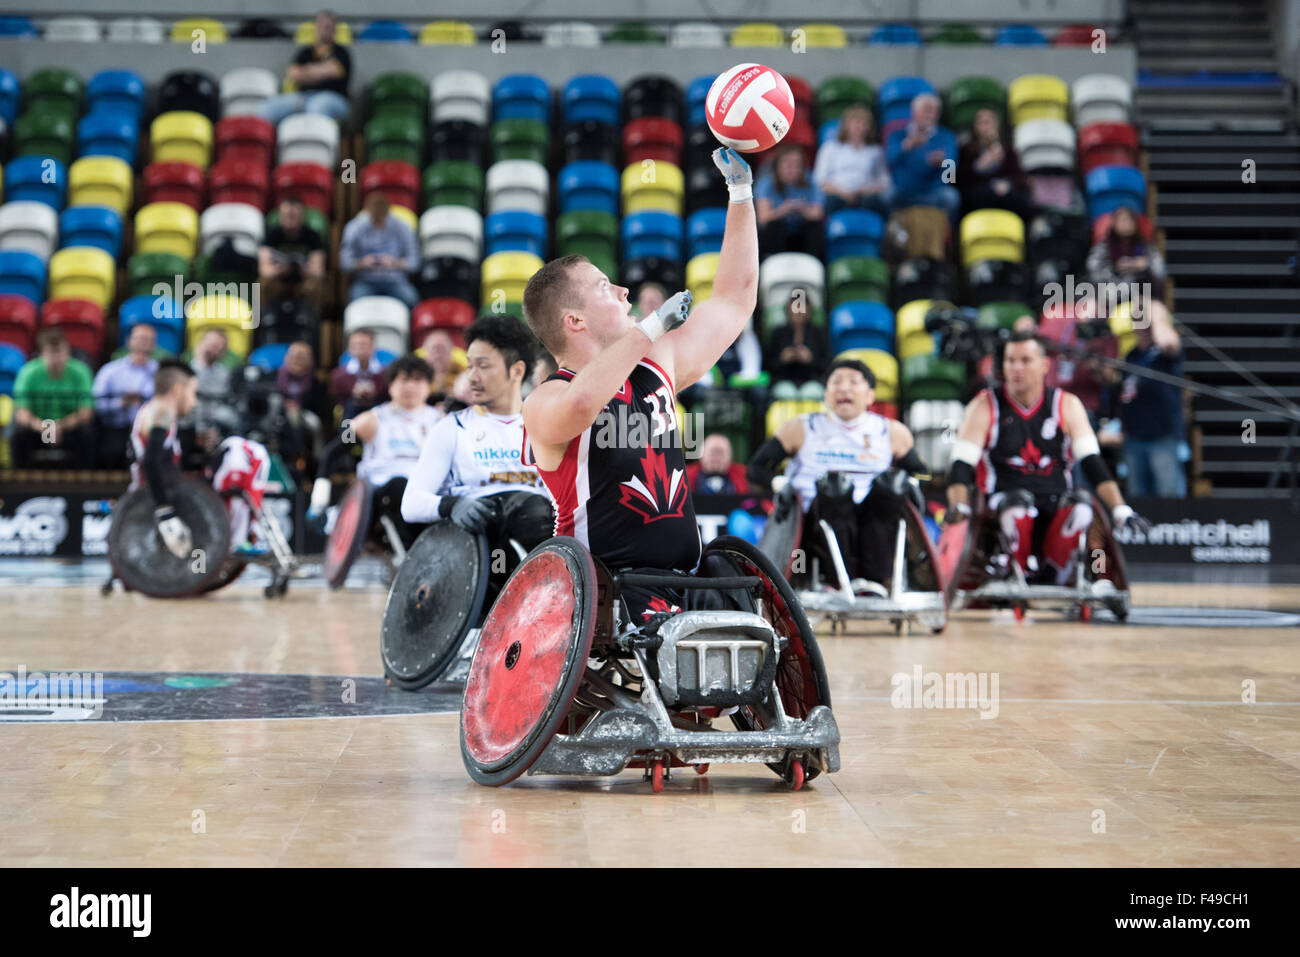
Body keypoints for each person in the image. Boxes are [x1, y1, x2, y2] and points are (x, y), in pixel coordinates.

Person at [519, 147, 758, 623]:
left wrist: (740, 195)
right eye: (606, 287)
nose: (625, 291)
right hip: (609, 593)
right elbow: (584, 402)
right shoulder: (544, 400)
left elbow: (734, 300)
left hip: (689, 577)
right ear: (574, 320)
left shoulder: (658, 362)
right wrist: (646, 329)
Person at [945, 330, 1150, 585]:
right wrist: (959, 507)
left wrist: (1120, 510)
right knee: (1018, 505)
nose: (1016, 368)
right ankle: (1012, 567)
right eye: (1010, 360)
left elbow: (1093, 464)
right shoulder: (984, 405)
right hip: (1001, 504)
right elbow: (960, 468)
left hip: (1054, 503)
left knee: (1083, 505)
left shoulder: (1067, 404)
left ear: (1044, 365)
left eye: (1025, 360)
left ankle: (1068, 572)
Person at [747, 358, 927, 589]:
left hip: (874, 515)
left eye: (853, 382)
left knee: (892, 486)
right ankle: (840, 579)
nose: (844, 388)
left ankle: (878, 577)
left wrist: (911, 483)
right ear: (826, 394)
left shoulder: (891, 431)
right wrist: (780, 483)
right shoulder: (800, 427)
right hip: (817, 516)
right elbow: (756, 468)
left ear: (870, 395)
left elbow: (923, 473)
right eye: (836, 382)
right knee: (834, 486)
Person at [401, 316, 554, 558]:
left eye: (482, 366)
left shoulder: (546, 426)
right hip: (473, 549)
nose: (471, 376)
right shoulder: (452, 427)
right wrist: (451, 506)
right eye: (470, 365)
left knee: (536, 512)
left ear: (516, 370)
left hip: (534, 538)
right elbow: (410, 504)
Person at [309, 355, 443, 549]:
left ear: (428, 386)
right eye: (404, 380)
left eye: (417, 380)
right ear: (391, 386)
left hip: (427, 489)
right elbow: (332, 453)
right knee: (401, 485)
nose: (410, 387)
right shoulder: (370, 419)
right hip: (383, 491)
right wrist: (318, 501)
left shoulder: (440, 421)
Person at [1119, 302, 1186, 498]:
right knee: (1137, 496)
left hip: (1162, 435)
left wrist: (1156, 316)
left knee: (1169, 495)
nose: (1141, 324)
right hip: (1134, 436)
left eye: (1144, 318)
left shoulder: (1164, 352)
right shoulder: (1131, 355)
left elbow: (1169, 344)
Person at [10, 327, 94, 469]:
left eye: (60, 352)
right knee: (18, 434)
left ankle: (85, 481)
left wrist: (58, 426)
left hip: (68, 427)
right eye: (51, 353)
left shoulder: (81, 371)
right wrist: (45, 427)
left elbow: (85, 412)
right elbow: (21, 413)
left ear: (68, 351)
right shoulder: (28, 373)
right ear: (42, 353)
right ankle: (21, 481)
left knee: (88, 433)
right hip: (38, 428)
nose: (57, 359)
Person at [257, 10, 352, 127]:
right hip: (304, 96)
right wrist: (321, 71)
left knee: (316, 107)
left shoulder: (341, 52)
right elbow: (293, 74)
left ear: (334, 29)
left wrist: (306, 72)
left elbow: (335, 71)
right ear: (316, 27)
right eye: (322, 25)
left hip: (334, 98)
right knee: (266, 109)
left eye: (328, 26)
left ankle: (317, 144)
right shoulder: (305, 52)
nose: (325, 29)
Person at [92, 323, 159, 468]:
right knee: (109, 451)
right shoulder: (110, 370)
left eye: (149, 340)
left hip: (148, 430)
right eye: (141, 338)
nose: (144, 343)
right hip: (116, 427)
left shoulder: (160, 373)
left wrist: (145, 402)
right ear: (129, 341)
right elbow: (96, 403)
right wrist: (120, 403)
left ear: (154, 345)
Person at [886, 93, 960, 221]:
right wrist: (906, 146)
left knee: (951, 197)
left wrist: (944, 162)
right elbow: (890, 160)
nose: (929, 116)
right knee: (885, 196)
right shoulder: (898, 135)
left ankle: (945, 236)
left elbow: (951, 174)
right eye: (925, 111)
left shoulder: (946, 136)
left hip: (934, 192)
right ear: (913, 112)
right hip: (903, 192)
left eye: (933, 112)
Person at [340, 192, 420, 308]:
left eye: (381, 220)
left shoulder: (402, 228)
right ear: (367, 212)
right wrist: (362, 263)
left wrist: (395, 263)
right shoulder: (354, 228)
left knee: (411, 299)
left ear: (387, 212)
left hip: (394, 280)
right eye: (374, 220)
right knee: (355, 301)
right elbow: (344, 262)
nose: (377, 224)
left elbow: (415, 262)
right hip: (365, 280)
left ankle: (405, 326)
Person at [812, 105, 893, 218]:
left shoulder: (875, 151)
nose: (859, 127)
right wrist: (842, 193)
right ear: (846, 125)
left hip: (865, 196)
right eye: (856, 122)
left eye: (864, 124)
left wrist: (865, 191)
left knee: (875, 202)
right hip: (837, 196)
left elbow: (884, 181)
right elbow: (819, 179)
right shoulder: (830, 148)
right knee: (830, 203)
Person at [957, 108, 1031, 219]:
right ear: (975, 127)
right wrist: (979, 165)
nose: (987, 127)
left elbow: (1019, 177)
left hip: (1003, 191)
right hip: (978, 192)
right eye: (983, 123)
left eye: (991, 123)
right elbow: (955, 179)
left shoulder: (1008, 151)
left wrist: (1007, 184)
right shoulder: (966, 150)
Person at [754, 145, 825, 259]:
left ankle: (814, 263)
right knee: (772, 226)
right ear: (777, 166)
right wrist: (784, 209)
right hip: (778, 235)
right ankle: (773, 263)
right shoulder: (766, 184)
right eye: (786, 163)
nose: (791, 168)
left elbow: (817, 214)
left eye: (796, 164)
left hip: (801, 233)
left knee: (816, 227)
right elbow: (763, 218)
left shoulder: (811, 181)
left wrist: (801, 208)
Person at [1086, 205, 1166, 301]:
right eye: (1122, 220)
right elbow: (1094, 275)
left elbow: (1161, 272)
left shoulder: (1146, 247)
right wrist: (1115, 270)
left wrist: (1145, 265)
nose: (1126, 223)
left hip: (1143, 298)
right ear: (1113, 223)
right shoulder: (1103, 248)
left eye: (1129, 220)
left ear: (1135, 224)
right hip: (1109, 298)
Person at [259, 195, 326, 309]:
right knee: (262, 284)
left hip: (304, 279)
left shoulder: (313, 236)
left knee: (315, 286)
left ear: (302, 216)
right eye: (286, 216)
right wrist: (281, 269)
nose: (289, 219)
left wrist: (302, 270)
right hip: (279, 278)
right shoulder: (272, 235)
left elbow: (318, 272)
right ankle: (263, 321)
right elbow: (264, 270)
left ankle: (312, 322)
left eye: (293, 216)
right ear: (280, 216)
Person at [765, 286, 829, 386]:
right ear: (788, 309)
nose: (798, 311)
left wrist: (811, 359)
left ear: (808, 310)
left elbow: (826, 365)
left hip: (812, 380)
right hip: (783, 380)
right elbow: (767, 365)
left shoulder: (818, 333)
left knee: (812, 392)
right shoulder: (778, 333)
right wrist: (782, 359)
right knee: (785, 392)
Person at [329, 328, 389, 419]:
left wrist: (375, 393)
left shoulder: (385, 373)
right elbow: (336, 398)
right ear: (349, 347)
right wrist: (352, 393)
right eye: (355, 345)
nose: (359, 348)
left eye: (363, 344)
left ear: (373, 346)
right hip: (350, 414)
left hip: (378, 414)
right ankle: (348, 434)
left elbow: (389, 396)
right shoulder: (338, 375)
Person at [685, 434, 749, 496]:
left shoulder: (746, 476)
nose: (716, 458)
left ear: (730, 456)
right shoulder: (685, 475)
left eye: (721, 453)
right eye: (712, 453)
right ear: (701, 454)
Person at [415, 329, 465, 399]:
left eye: (443, 349)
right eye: (434, 349)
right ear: (425, 353)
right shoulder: (415, 375)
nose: (438, 354)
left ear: (451, 352)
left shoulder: (463, 374)